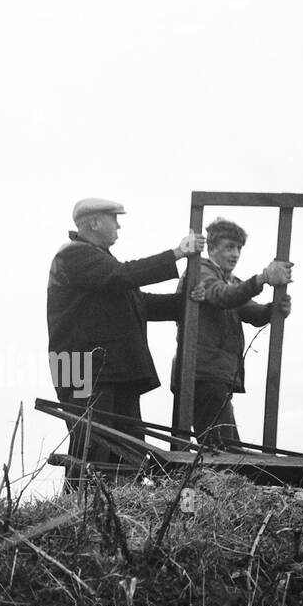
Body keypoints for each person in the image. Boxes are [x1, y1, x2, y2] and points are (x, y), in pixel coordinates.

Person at [47, 198, 205, 479]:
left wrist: (187, 302)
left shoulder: (100, 262)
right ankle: (81, 509)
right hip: (79, 366)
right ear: (94, 222)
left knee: (126, 444)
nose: (118, 225)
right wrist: (177, 253)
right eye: (113, 218)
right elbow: (124, 276)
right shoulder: (73, 256)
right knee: (92, 443)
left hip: (105, 368)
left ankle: (118, 506)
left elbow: (139, 302)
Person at [174, 218, 292, 448]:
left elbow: (251, 311)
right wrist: (263, 278)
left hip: (217, 374)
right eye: (229, 246)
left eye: (238, 248)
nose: (235, 253)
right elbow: (223, 296)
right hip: (201, 373)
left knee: (220, 446)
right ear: (212, 247)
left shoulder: (229, 280)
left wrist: (274, 309)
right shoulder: (201, 271)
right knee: (223, 448)